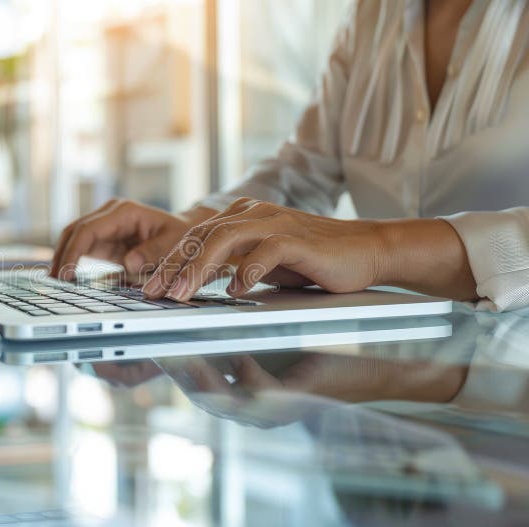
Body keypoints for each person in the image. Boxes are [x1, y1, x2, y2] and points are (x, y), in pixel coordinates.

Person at [51, 0, 529, 312]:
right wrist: (196, 230)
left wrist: (380, 248)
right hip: (387, 396)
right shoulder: (371, 15)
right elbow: (305, 169)